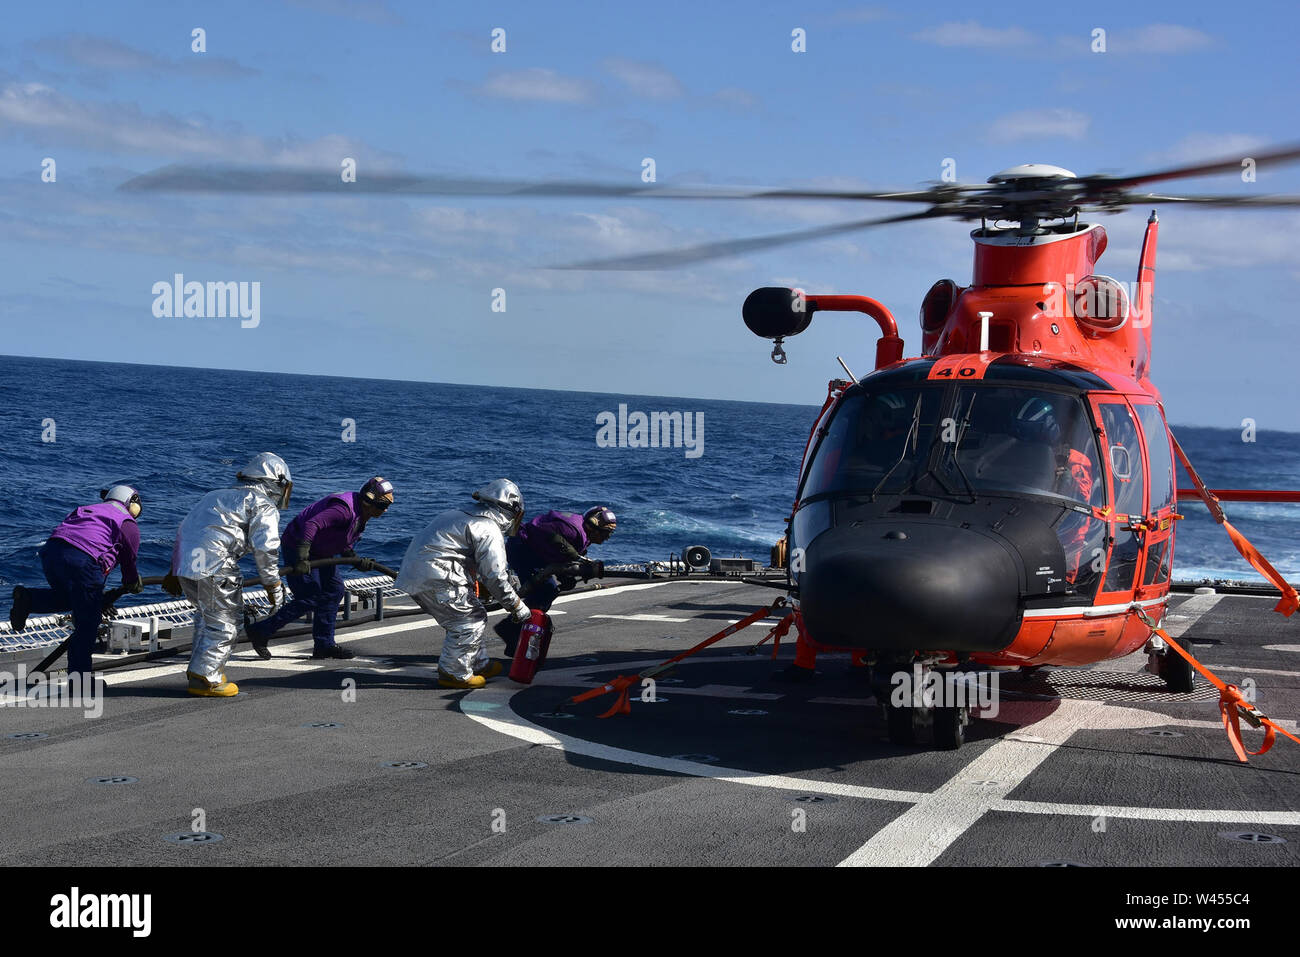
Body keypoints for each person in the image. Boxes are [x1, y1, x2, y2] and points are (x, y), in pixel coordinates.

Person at [173, 453, 291, 698]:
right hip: (217, 566)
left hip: (187, 566)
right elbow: (266, 548)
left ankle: (200, 671)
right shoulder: (262, 504)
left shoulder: (213, 495)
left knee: (206, 619)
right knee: (226, 625)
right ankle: (206, 680)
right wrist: (273, 584)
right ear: (276, 482)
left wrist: (174, 570)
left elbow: (186, 529)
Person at [395, 480, 531, 690]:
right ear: (511, 510)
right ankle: (454, 673)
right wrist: (516, 606)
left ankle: (478, 663)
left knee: (471, 613)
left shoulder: (458, 514)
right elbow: (495, 576)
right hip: (438, 577)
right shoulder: (489, 528)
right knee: (468, 621)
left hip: (416, 573)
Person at [246, 476, 394, 660]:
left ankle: (324, 645)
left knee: (334, 590)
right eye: (381, 505)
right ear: (367, 501)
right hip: (298, 545)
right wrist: (301, 556)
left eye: (387, 506)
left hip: (320, 551)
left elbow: (341, 535)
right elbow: (312, 524)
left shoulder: (361, 512)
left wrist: (352, 558)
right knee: (310, 596)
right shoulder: (343, 510)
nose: (385, 510)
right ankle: (260, 631)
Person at [9, 486, 144, 677]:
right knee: (87, 622)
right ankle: (80, 680)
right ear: (133, 502)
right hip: (82, 560)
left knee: (70, 599)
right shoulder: (127, 522)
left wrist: (96, 598)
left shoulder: (86, 509)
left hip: (51, 553)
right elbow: (129, 561)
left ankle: (29, 599)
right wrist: (131, 582)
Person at [494, 506, 617, 656]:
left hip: (536, 553)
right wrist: (558, 541)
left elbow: (559, 556)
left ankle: (513, 629)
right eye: (606, 533)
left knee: (548, 592)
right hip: (522, 550)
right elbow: (539, 530)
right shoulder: (573, 531)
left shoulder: (584, 535)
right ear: (593, 526)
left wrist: (565, 577)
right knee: (544, 592)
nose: (608, 537)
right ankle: (510, 628)